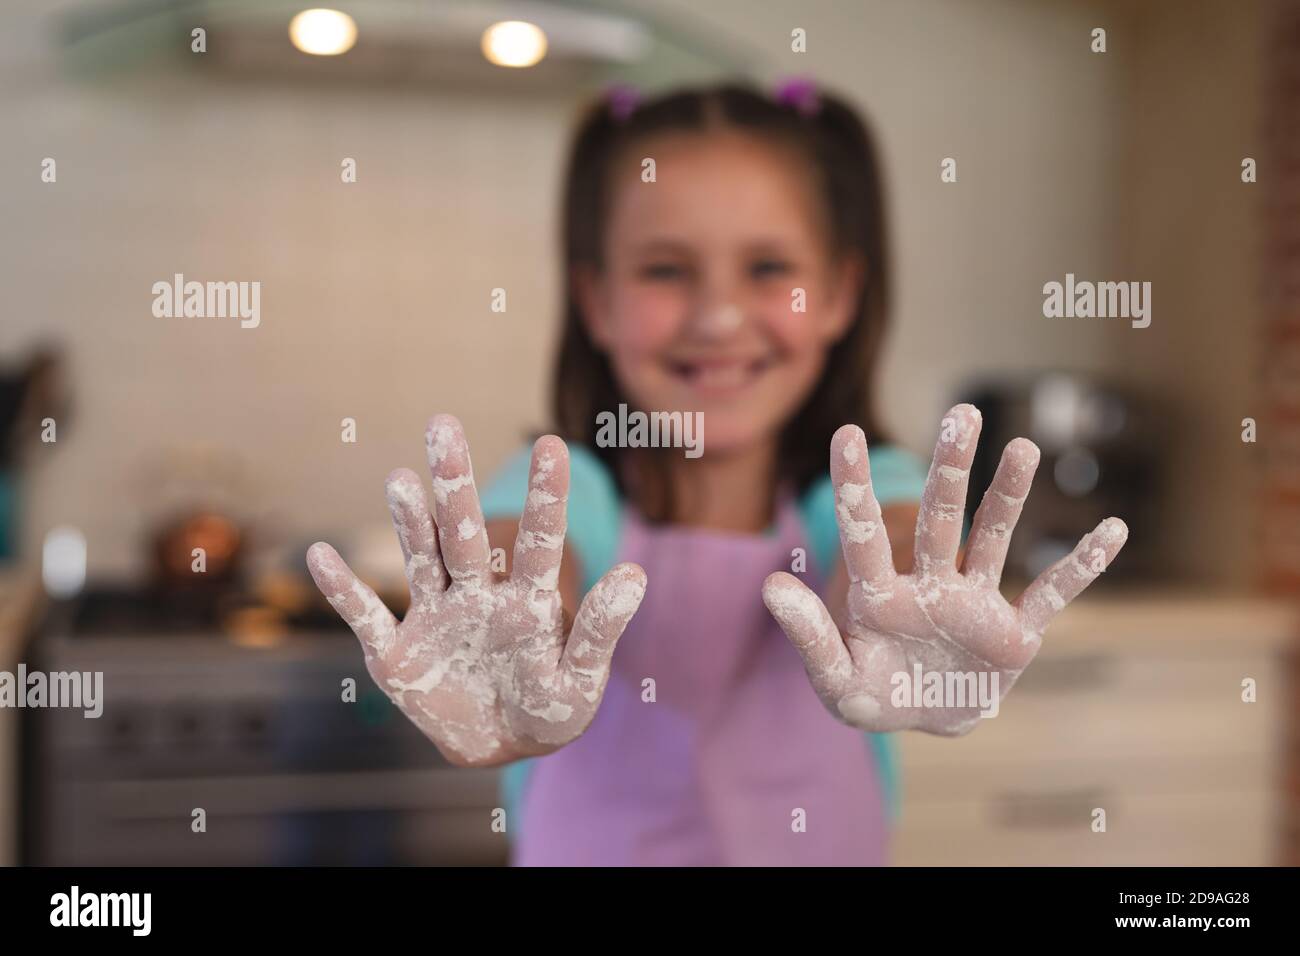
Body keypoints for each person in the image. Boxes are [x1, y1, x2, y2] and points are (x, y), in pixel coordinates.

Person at [306, 80, 1128, 866]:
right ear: (596, 303)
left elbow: (890, 545)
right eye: (665, 270)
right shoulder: (567, 486)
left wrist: (910, 603)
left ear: (839, 293)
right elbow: (530, 556)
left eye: (768, 269)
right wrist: (501, 620)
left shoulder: (862, 486)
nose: (719, 317)